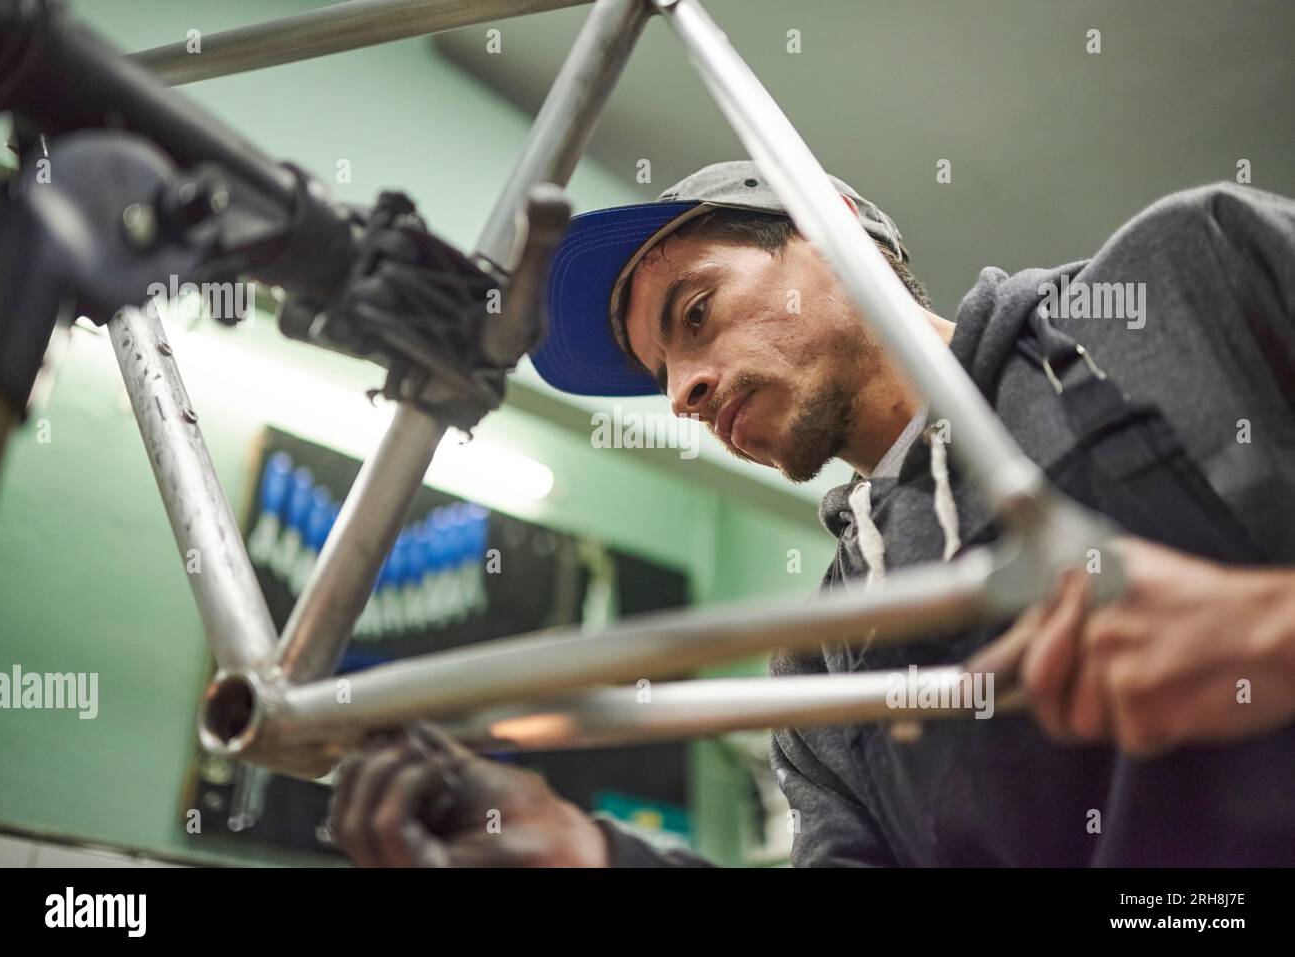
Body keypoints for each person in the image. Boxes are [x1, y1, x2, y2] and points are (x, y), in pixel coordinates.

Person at [332, 161, 1295, 867]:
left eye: (696, 316)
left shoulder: (1183, 278)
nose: (682, 394)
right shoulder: (820, 665)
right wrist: (587, 856)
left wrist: (1270, 634)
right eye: (661, 374)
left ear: (833, 230)